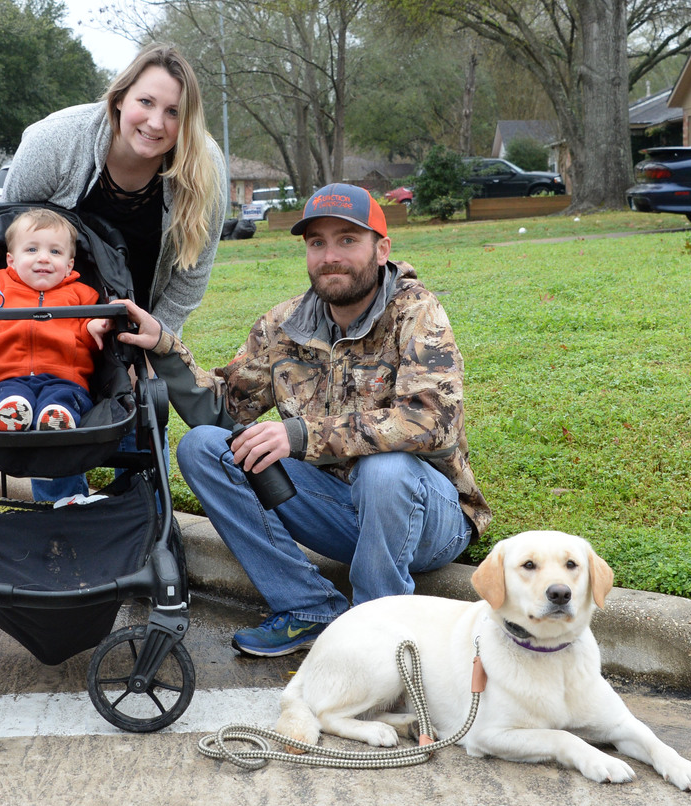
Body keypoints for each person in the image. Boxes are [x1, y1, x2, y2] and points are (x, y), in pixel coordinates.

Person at [115, 183, 492, 658]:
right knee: (205, 448)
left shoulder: (417, 313)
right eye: (317, 242)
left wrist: (300, 435)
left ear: (381, 250)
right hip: (336, 509)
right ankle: (308, 607)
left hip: (427, 519)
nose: (330, 257)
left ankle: (376, 631)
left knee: (386, 468)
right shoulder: (284, 325)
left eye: (347, 240)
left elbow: (430, 422)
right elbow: (223, 410)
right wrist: (164, 348)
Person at [3, 42, 227, 498]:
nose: (156, 122)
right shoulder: (54, 143)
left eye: (173, 112)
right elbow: (6, 236)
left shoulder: (206, 168)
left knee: (141, 429)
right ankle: (61, 520)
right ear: (120, 97)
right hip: (49, 321)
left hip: (133, 324)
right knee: (51, 421)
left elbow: (189, 277)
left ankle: (141, 522)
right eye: (146, 102)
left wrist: (150, 349)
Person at [0, 208, 111, 431]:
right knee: (4, 396)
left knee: (66, 396)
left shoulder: (82, 295)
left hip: (65, 378)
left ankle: (56, 417)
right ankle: (11, 415)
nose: (43, 258)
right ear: (11, 261)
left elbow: (91, 342)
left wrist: (94, 326)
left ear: (69, 266)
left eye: (55, 252)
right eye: (32, 249)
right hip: (9, 376)